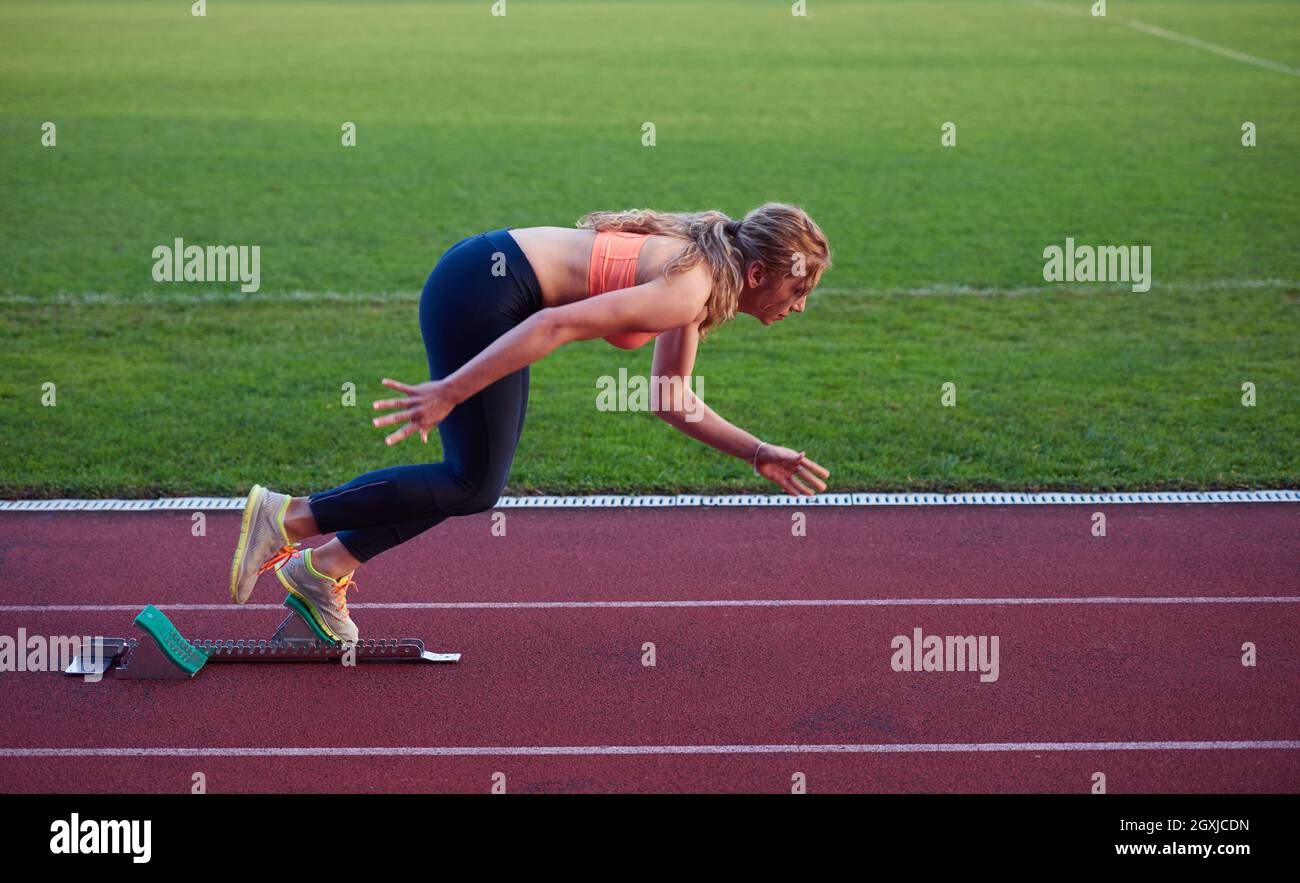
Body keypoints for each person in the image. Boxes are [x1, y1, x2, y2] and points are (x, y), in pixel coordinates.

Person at [228, 204, 832, 642]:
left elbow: (671, 398)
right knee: (473, 482)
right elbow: (553, 328)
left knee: (472, 476)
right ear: (759, 276)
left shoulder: (703, 279)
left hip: (484, 283)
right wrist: (450, 391)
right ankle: (288, 517)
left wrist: (756, 452)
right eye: (798, 288)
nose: (801, 305)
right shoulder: (689, 287)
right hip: (482, 291)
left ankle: (324, 568)